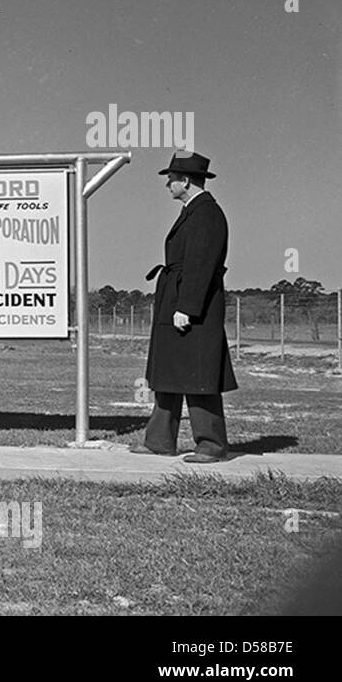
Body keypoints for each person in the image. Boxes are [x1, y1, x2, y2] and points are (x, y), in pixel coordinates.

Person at [133, 151, 238, 463]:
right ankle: (159, 441)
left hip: (192, 305)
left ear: (186, 181)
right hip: (175, 298)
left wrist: (187, 307)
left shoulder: (207, 214)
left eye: (172, 178)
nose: (168, 183)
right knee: (169, 371)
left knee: (199, 375)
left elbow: (201, 265)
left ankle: (211, 446)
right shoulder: (193, 212)